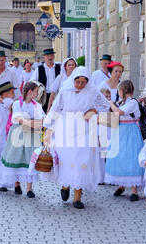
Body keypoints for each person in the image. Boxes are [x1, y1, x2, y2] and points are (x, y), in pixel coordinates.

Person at [44, 66, 110, 209]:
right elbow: (56, 109)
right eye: (77, 82)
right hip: (65, 128)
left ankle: (77, 196)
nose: (80, 85)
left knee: (81, 161)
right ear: (73, 79)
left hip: (83, 130)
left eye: (83, 82)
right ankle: (65, 186)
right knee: (66, 160)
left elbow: (104, 105)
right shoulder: (65, 91)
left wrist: (92, 110)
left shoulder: (92, 91)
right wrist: (49, 129)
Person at [0, 82, 45, 198]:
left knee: (30, 159)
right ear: (30, 92)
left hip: (32, 134)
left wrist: (41, 122)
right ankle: (16, 183)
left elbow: (42, 118)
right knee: (16, 157)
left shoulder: (36, 106)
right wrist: (28, 122)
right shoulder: (17, 103)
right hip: (18, 134)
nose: (37, 94)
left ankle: (29, 188)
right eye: (36, 91)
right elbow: (17, 117)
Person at [104, 80, 145, 201]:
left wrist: (110, 103)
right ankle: (121, 185)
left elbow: (119, 112)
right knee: (120, 157)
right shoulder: (123, 102)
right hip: (121, 131)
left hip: (130, 131)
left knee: (131, 158)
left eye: (119, 90)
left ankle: (134, 190)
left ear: (123, 91)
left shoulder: (132, 102)